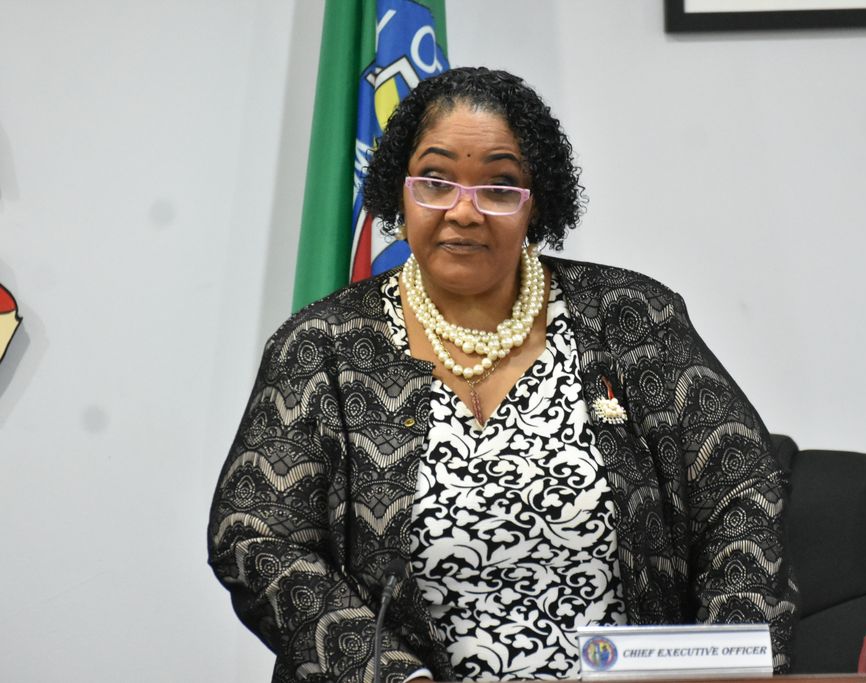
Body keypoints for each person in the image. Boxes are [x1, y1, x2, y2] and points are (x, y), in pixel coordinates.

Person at [208, 66, 798, 683]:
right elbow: (256, 535)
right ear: (399, 193)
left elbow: (743, 491)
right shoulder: (322, 348)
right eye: (435, 181)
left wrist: (721, 665)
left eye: (499, 186)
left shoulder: (632, 322)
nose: (464, 212)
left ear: (534, 202)